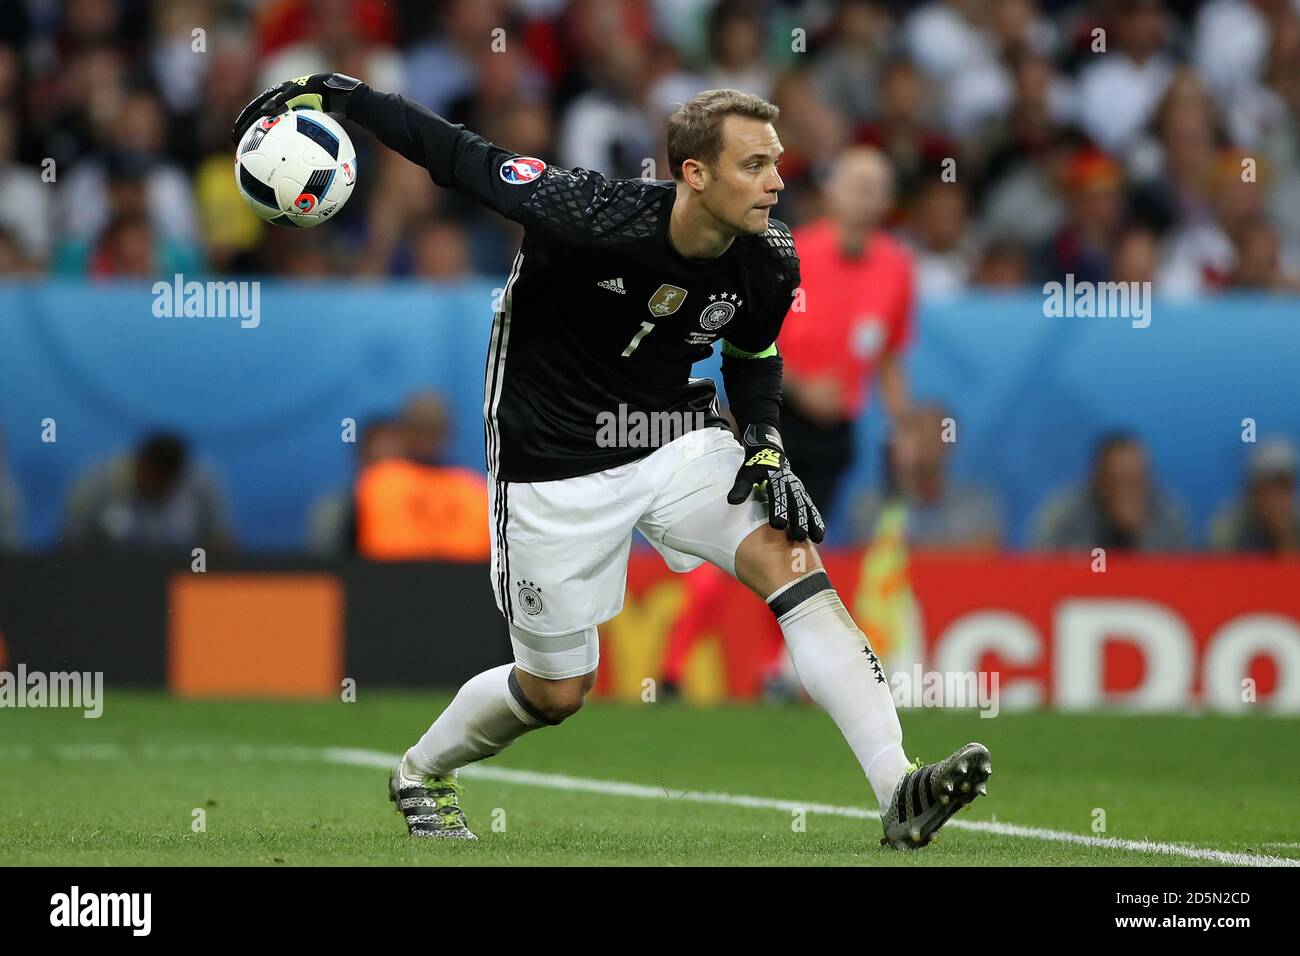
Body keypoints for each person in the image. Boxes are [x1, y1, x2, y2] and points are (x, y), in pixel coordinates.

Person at [232, 75, 989, 849]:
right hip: (551, 457)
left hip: (671, 432)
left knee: (792, 559)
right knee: (555, 691)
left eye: (777, 162)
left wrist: (763, 442)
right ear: (694, 173)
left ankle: (898, 785)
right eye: (755, 165)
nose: (777, 181)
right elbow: (456, 155)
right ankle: (422, 771)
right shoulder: (586, 211)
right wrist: (339, 96)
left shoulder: (770, 259)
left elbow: (754, 352)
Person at [1032, 432, 1187, 551]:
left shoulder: (1167, 516)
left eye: (1137, 480)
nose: (1129, 492)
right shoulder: (1065, 515)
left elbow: (1182, 575)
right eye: (1120, 480)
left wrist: (1134, 535)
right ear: (1099, 479)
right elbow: (1042, 568)